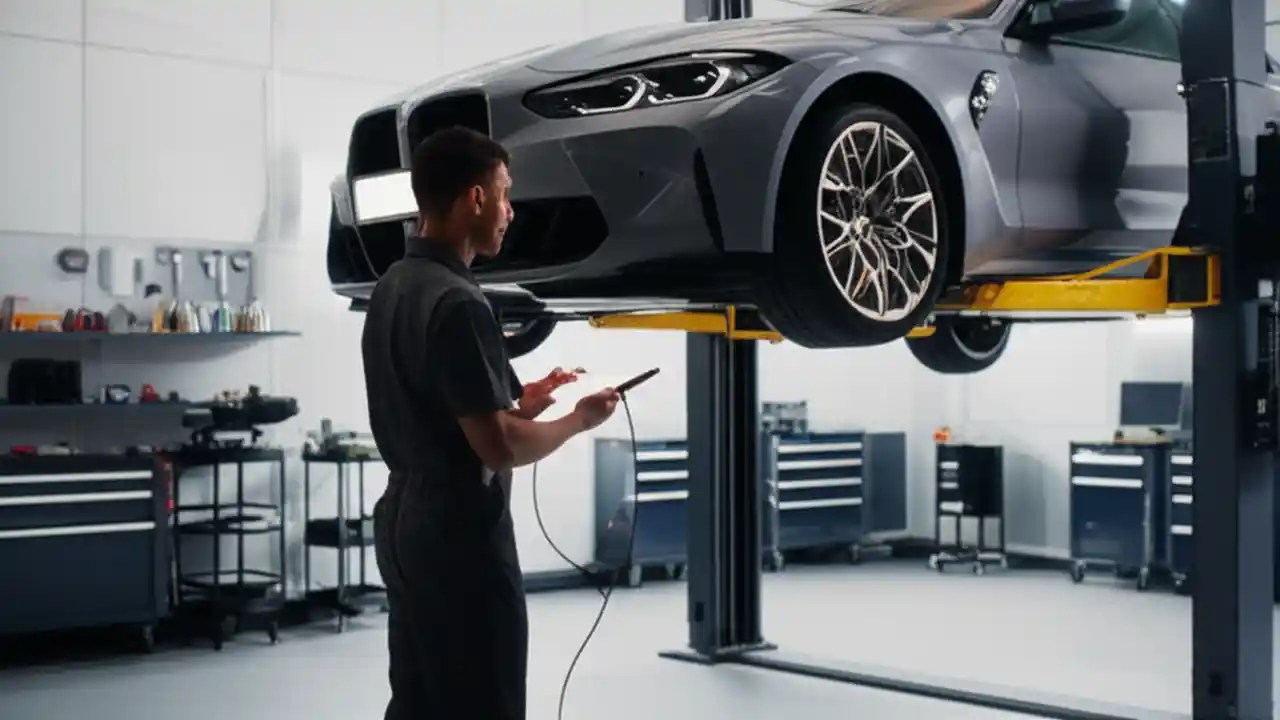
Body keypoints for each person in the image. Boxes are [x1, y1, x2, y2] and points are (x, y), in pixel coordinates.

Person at [361, 125, 620, 720]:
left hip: (405, 523)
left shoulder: (394, 287)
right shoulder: (458, 301)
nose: (510, 211)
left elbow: (446, 406)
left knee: (421, 699)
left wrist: (525, 399)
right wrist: (580, 418)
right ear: (474, 199)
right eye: (504, 194)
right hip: (461, 541)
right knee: (485, 702)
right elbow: (498, 446)